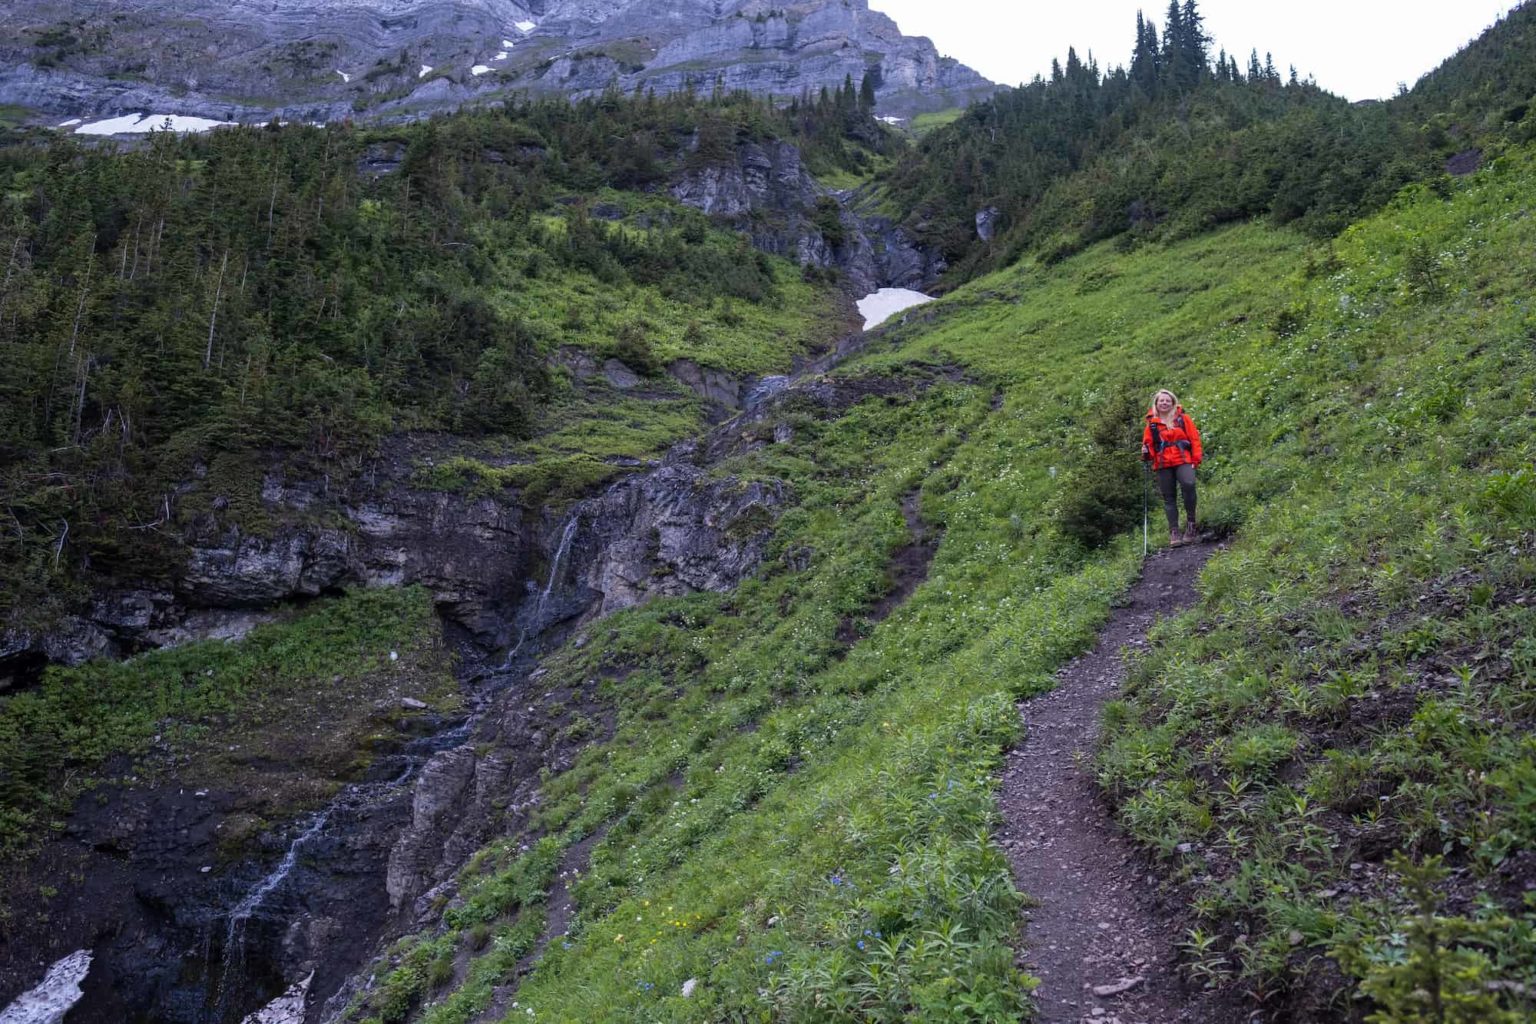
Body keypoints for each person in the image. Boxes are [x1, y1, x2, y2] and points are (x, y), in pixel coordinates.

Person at [1142, 389, 1203, 547]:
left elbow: (1194, 439)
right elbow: (1149, 446)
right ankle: (1174, 532)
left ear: (1173, 403)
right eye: (1161, 401)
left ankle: (1191, 525)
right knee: (1169, 497)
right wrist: (1146, 452)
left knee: (1189, 484)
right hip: (1163, 463)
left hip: (1183, 459)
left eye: (1167, 400)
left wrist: (1196, 459)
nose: (1164, 403)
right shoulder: (1152, 424)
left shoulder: (1183, 419)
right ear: (1156, 404)